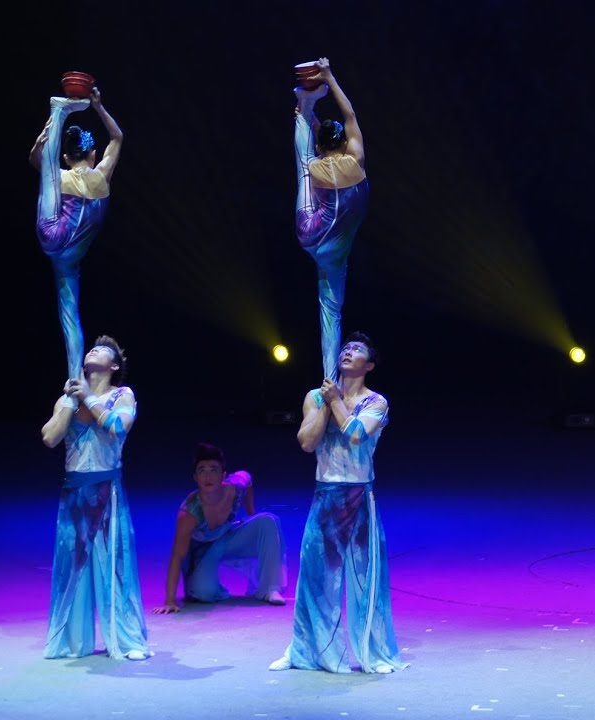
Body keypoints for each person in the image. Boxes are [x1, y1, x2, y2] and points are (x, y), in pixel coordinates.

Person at [269, 333, 405, 674]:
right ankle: (302, 649)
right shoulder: (316, 397)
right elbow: (306, 442)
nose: (348, 351)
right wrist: (326, 403)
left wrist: (336, 402)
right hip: (325, 494)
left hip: (360, 496)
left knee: (365, 579)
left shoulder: (377, 402)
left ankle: (373, 653)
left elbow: (356, 434)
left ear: (369, 365)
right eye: (345, 348)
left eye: (356, 350)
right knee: (314, 577)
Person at [39, 336, 151, 660]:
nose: (92, 351)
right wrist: (71, 403)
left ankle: (127, 640)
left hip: (107, 493)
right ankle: (72, 641)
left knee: (115, 567)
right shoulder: (69, 398)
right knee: (71, 568)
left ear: (114, 366)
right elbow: (49, 437)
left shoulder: (122, 395)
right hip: (74, 493)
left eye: (101, 351)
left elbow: (118, 426)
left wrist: (88, 397)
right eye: (91, 349)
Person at [28, 86, 123, 380]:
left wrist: (46, 132)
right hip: (68, 256)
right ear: (93, 154)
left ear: (67, 158)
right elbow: (118, 137)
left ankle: (58, 111)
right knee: (71, 316)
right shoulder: (102, 174)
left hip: (52, 235)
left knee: (47, 173)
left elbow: (37, 158)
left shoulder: (60, 175)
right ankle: (73, 378)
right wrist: (98, 106)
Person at [292, 57, 369, 381]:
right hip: (334, 255)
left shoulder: (316, 166)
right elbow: (349, 114)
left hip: (310, 233)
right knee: (331, 312)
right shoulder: (358, 159)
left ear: (324, 146)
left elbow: (313, 148)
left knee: (302, 164)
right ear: (344, 143)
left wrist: (311, 109)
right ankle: (329, 379)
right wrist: (331, 78)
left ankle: (304, 106)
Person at [151, 443, 287, 614]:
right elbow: (177, 556)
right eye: (202, 470)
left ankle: (269, 589)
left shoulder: (235, 486)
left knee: (267, 521)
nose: (208, 476)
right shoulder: (190, 512)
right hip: (202, 553)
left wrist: (251, 513)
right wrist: (169, 601)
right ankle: (201, 584)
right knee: (203, 593)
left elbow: (248, 478)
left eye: (213, 470)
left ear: (223, 475)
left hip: (228, 538)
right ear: (195, 477)